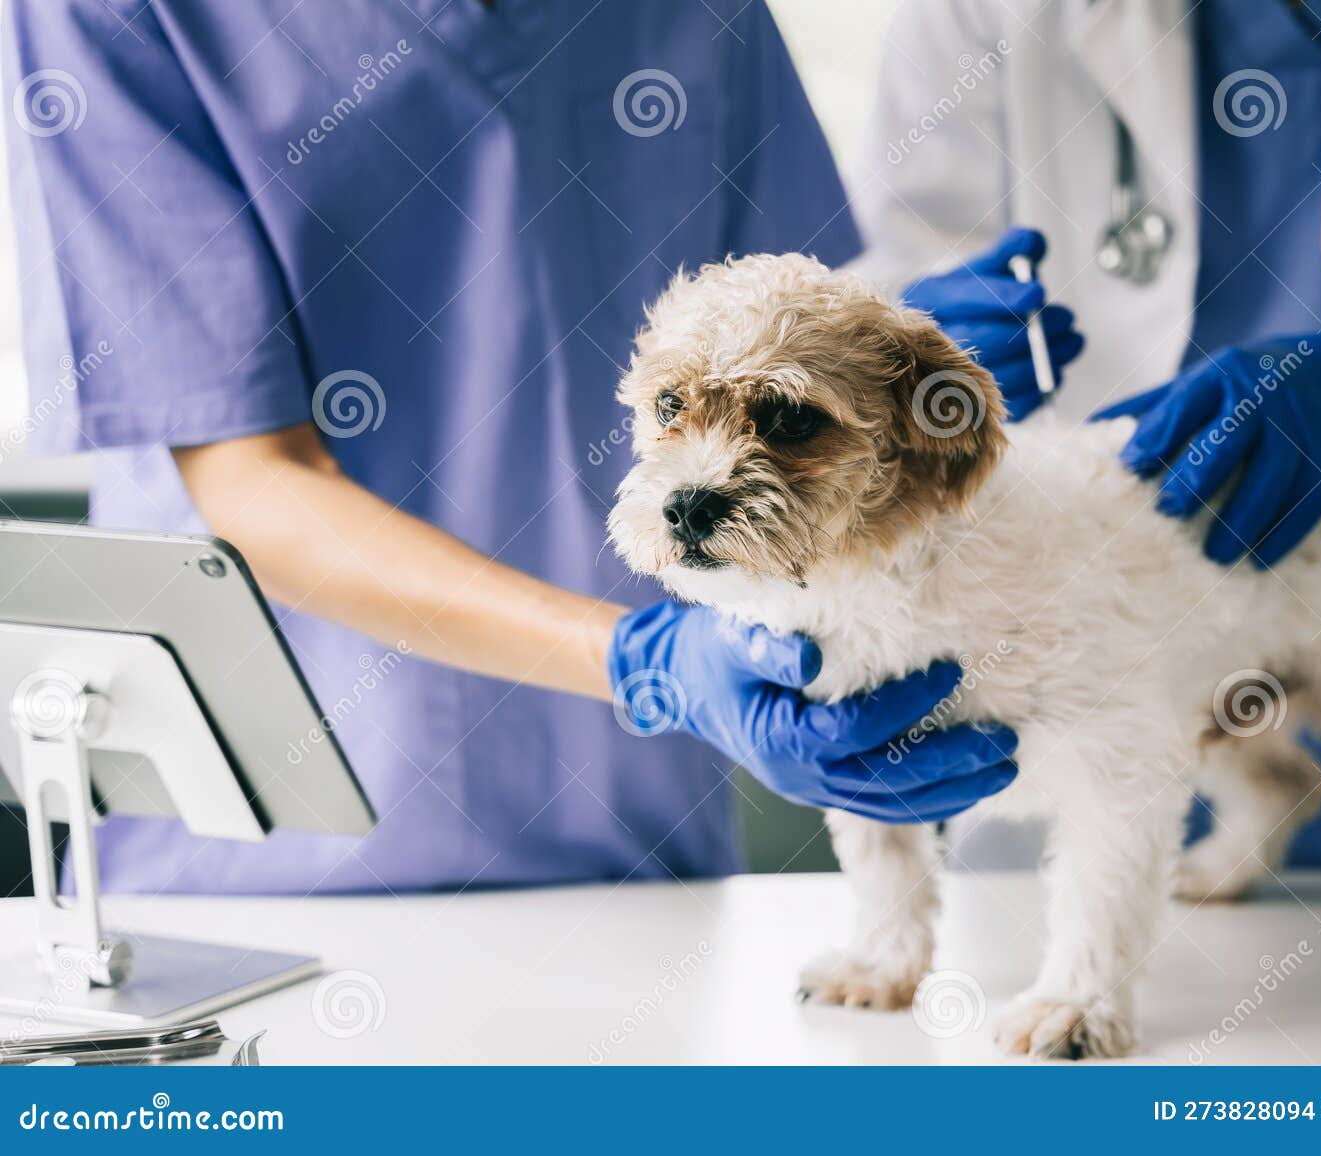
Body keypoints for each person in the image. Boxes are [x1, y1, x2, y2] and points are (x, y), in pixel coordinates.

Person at [3, 0, 1030, 894]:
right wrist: (644, 663)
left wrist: (907, 373)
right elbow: (248, 477)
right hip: (273, 857)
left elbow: (774, 313)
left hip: (635, 839)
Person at [854, 0, 1321, 863]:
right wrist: (901, 354)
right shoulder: (977, 15)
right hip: (1057, 700)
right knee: (1080, 918)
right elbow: (896, 269)